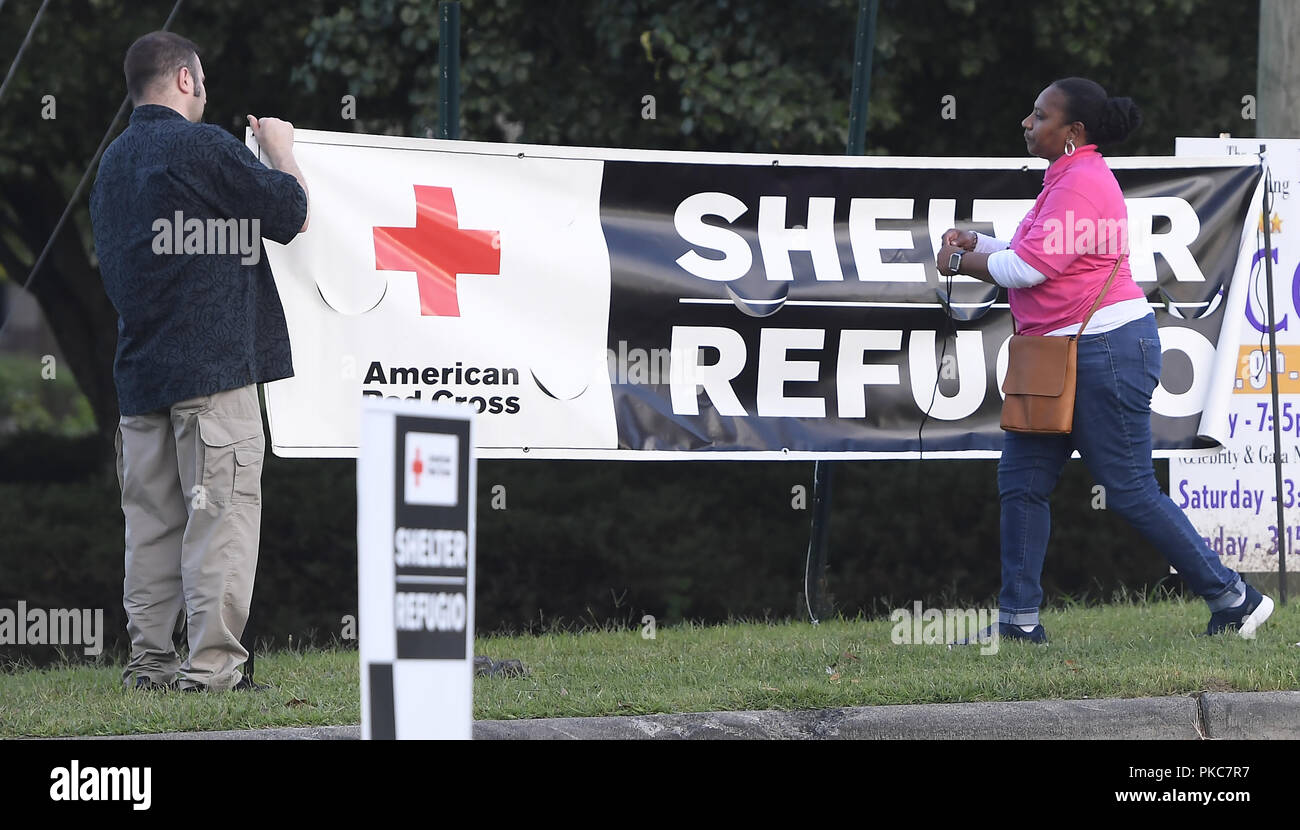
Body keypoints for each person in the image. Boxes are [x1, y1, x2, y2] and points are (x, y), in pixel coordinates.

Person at [936, 77, 1272, 644]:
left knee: (1131, 489)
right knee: (1021, 482)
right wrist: (976, 242)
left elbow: (1026, 271)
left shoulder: (1081, 183)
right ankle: (1018, 624)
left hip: (1105, 352)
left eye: (1039, 115)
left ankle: (1235, 598)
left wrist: (961, 262)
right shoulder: (1067, 177)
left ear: (1073, 133)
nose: (1026, 123)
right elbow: (1023, 255)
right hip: (1059, 355)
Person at [90, 31, 310, 690]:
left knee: (152, 529)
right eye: (203, 79)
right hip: (214, 376)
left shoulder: (112, 163)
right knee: (220, 520)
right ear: (186, 79)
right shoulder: (203, 144)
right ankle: (213, 670)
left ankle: (150, 667)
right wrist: (281, 151)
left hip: (140, 377)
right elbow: (291, 213)